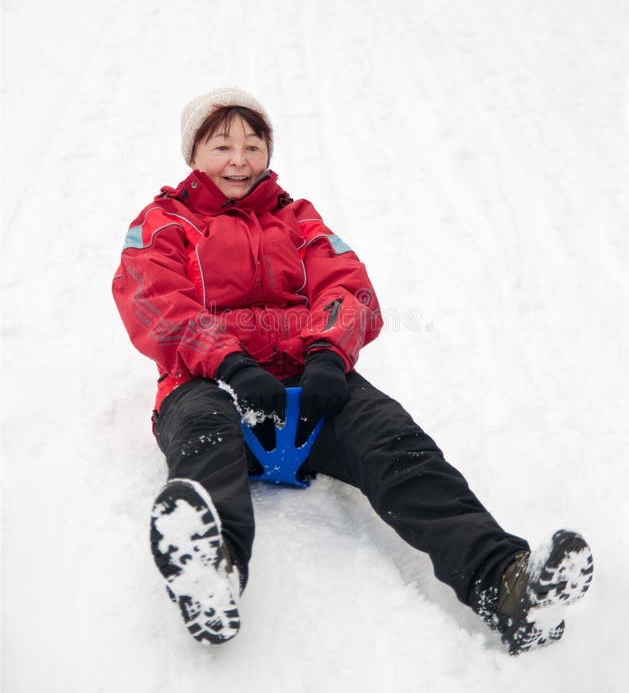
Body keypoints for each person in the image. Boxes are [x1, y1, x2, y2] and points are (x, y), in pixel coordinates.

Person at [112, 88, 593, 654]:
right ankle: (212, 574)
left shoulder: (297, 217)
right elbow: (153, 300)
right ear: (192, 154)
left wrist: (327, 357)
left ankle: (506, 588)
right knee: (205, 438)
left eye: (252, 144)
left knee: (396, 445)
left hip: (306, 379)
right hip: (211, 381)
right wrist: (231, 363)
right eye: (221, 146)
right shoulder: (163, 221)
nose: (238, 159)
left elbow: (347, 284)